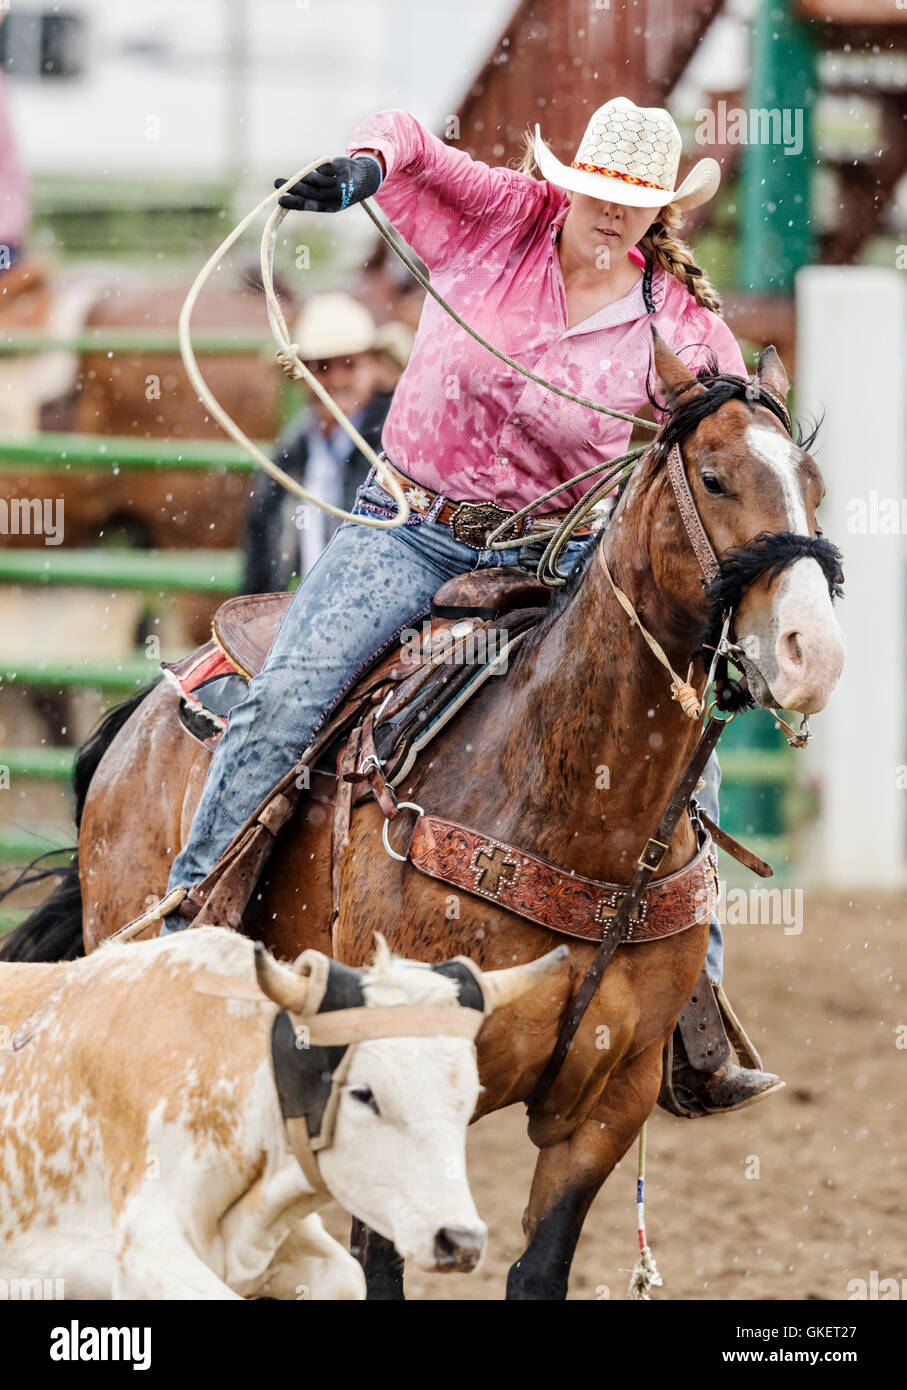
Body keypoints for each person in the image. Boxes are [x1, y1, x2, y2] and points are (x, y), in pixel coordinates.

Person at [162, 97, 782, 1116]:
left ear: (660, 211)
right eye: (603, 193)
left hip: (564, 552)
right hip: (410, 525)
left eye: (639, 202)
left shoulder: (682, 326)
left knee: (677, 747)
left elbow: (728, 448)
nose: (615, 214)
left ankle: (690, 1013)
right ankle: (191, 926)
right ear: (572, 183)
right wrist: (360, 168)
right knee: (287, 699)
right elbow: (406, 137)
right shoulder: (502, 216)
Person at [242, 292, 392, 593]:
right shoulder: (290, 453)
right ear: (303, 373)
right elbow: (260, 553)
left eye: (349, 365)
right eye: (322, 367)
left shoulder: (393, 448)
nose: (336, 380)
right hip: (302, 606)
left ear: (374, 368)